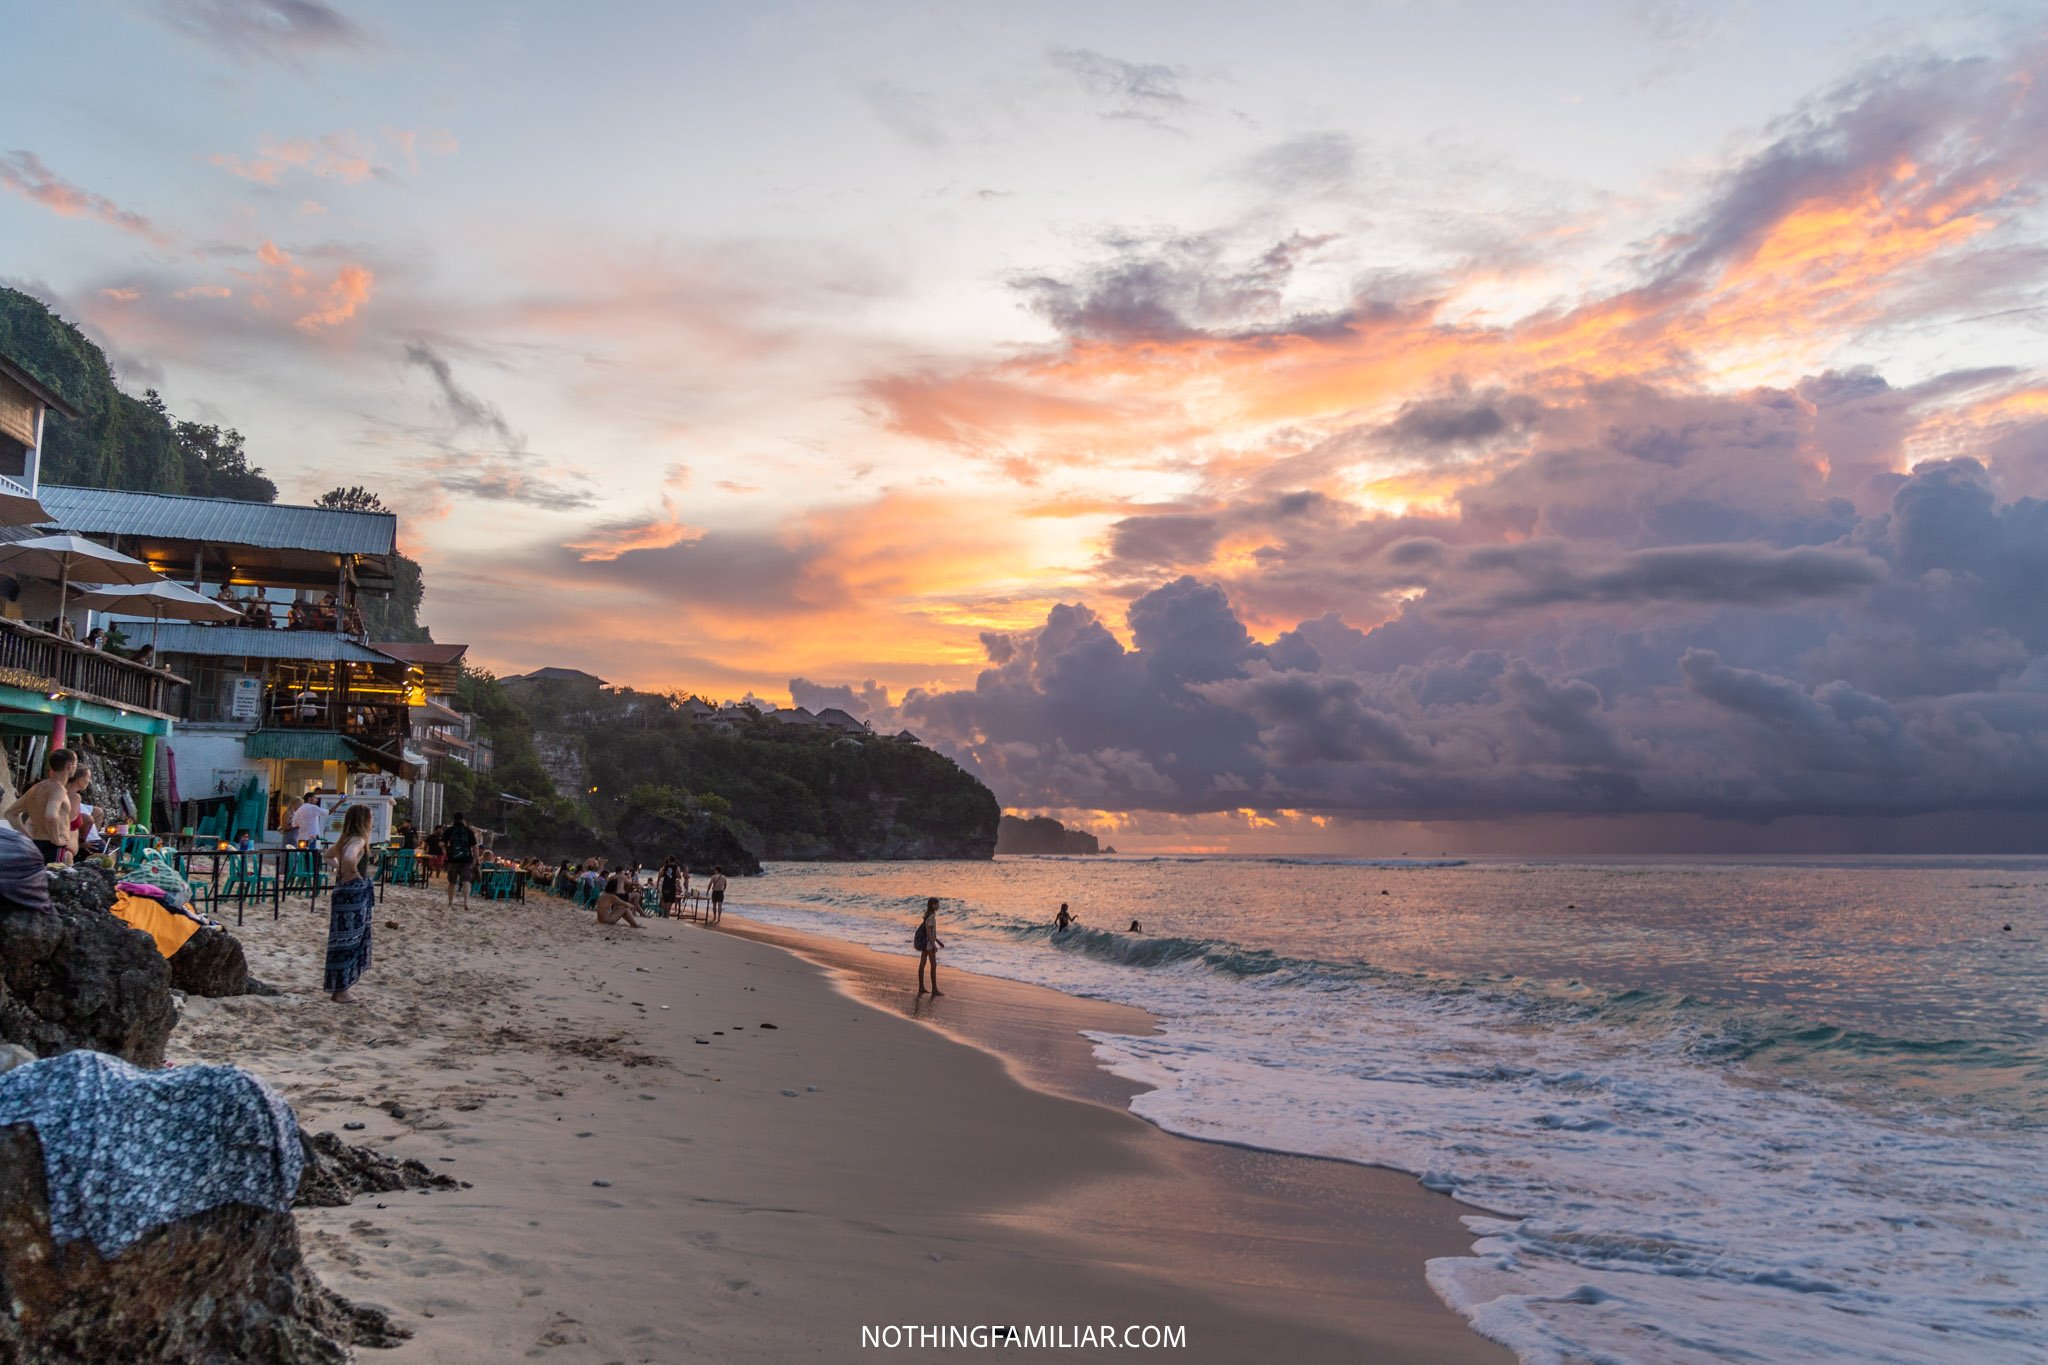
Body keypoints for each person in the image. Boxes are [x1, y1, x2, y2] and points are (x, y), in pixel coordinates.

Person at [322, 803, 377, 1004]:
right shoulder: (359, 840)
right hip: (353, 894)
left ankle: (339, 988)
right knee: (351, 941)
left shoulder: (344, 839)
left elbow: (327, 856)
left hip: (341, 892)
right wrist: (353, 873)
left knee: (339, 941)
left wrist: (340, 870)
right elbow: (348, 857)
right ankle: (342, 991)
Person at [6, 747, 78, 864]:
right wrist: (56, 840)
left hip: (35, 843)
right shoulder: (58, 790)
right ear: (69, 766)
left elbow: (10, 813)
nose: (76, 767)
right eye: (75, 764)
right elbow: (51, 816)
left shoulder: (36, 788)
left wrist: (26, 836)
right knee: (52, 875)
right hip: (52, 846)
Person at [442, 811, 477, 909]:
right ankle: (466, 902)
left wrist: (445, 851)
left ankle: (450, 902)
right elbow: (475, 847)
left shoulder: (450, 830)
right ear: (463, 820)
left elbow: (442, 843)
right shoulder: (468, 831)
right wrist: (477, 858)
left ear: (454, 820)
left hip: (453, 859)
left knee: (452, 882)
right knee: (466, 881)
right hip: (466, 860)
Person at [915, 897, 945, 996]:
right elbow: (928, 933)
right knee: (933, 965)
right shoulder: (931, 916)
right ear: (932, 905)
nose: (938, 906)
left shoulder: (928, 915)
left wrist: (938, 941)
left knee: (922, 964)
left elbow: (930, 932)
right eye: (937, 904)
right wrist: (934, 945)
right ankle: (934, 989)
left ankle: (921, 988)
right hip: (929, 944)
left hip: (926, 942)